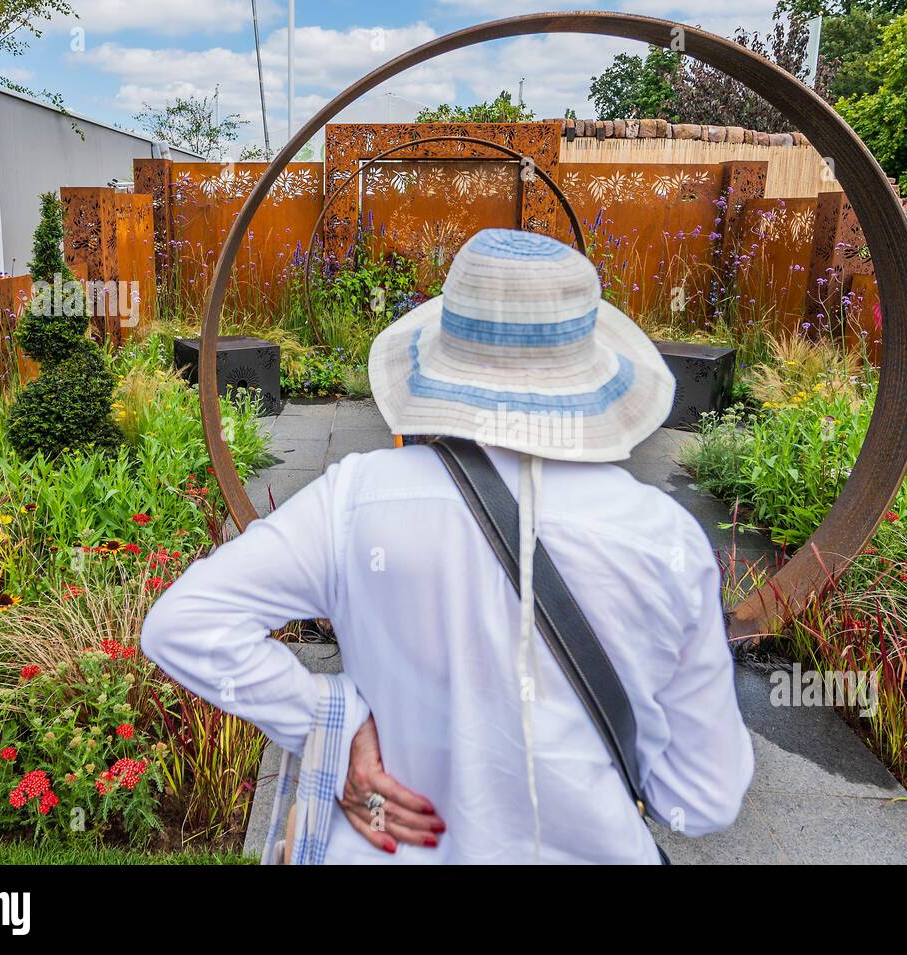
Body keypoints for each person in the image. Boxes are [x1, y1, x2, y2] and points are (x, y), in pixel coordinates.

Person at [140, 228, 754, 864]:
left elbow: (182, 625)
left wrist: (332, 720)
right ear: (589, 368)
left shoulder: (355, 501)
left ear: (442, 358)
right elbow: (705, 797)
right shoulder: (663, 538)